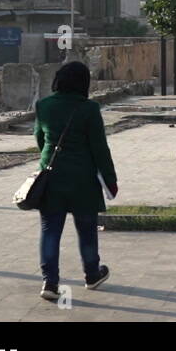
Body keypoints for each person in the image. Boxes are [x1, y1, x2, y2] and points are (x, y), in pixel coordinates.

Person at [33, 61, 118, 301]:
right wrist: (110, 180)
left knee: (50, 231)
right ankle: (92, 274)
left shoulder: (44, 106)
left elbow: (41, 140)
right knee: (87, 230)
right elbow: (100, 148)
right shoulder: (89, 109)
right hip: (83, 180)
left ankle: (50, 282)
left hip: (52, 178)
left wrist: (49, 160)